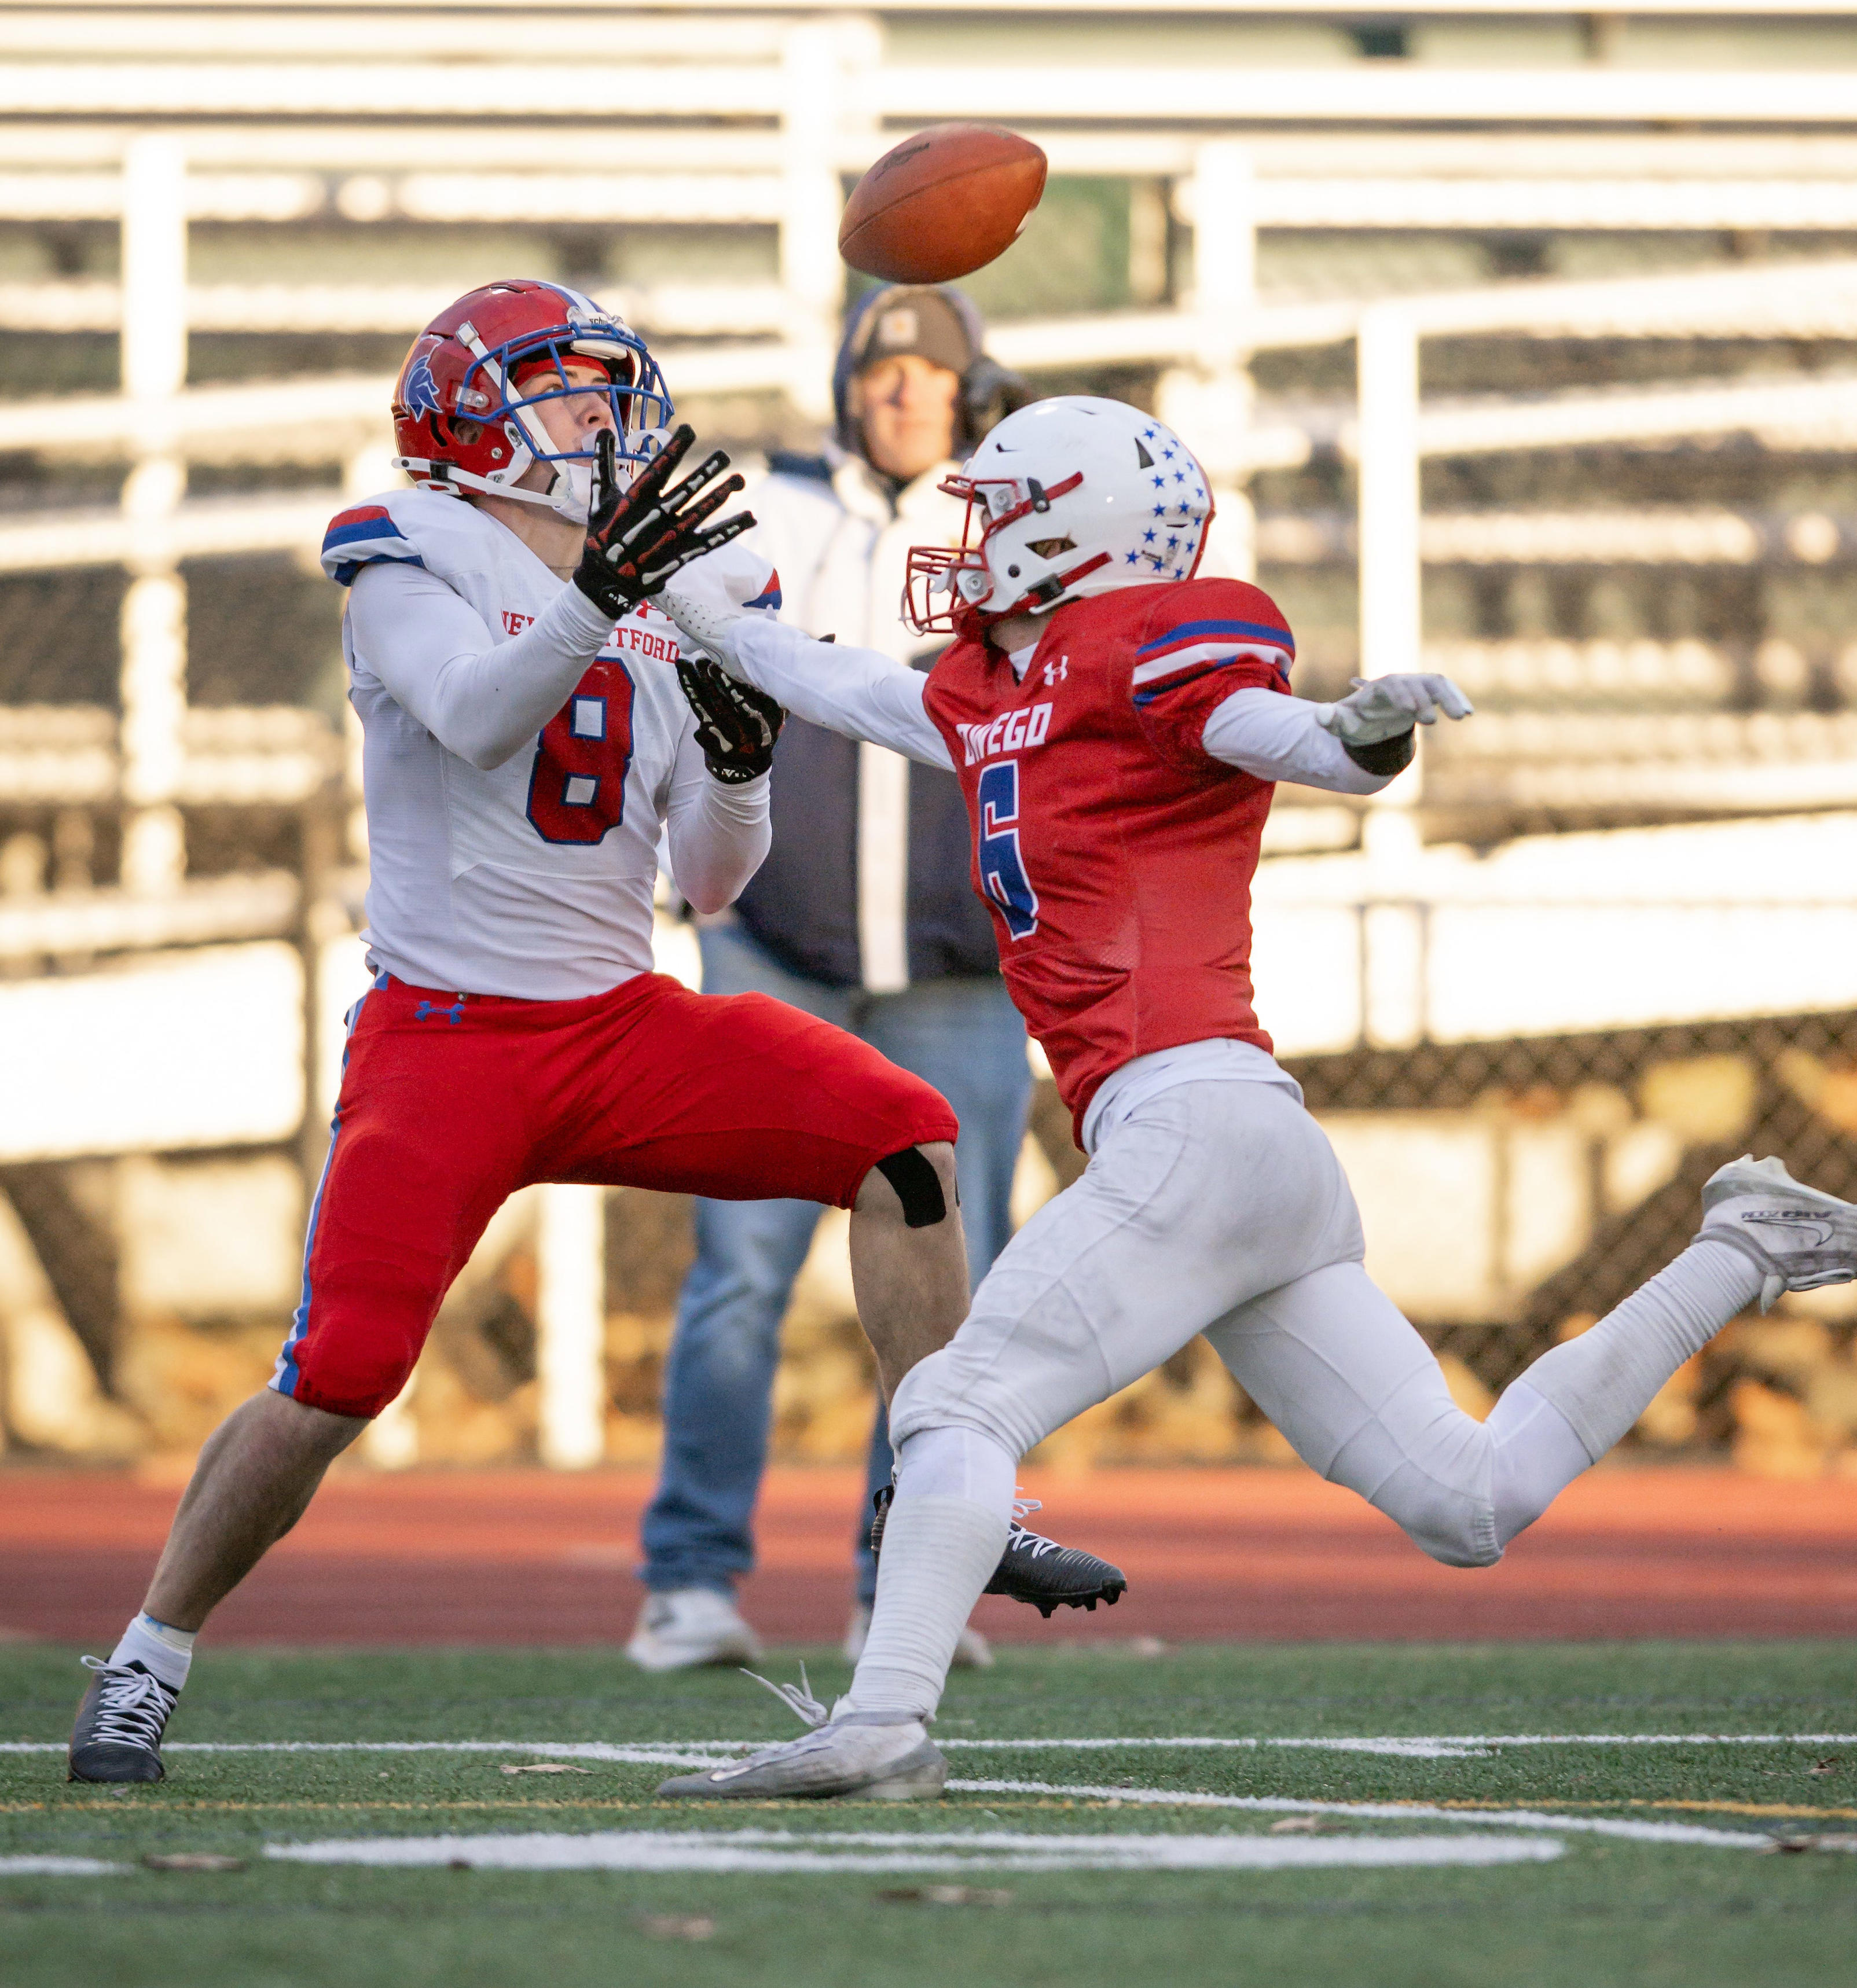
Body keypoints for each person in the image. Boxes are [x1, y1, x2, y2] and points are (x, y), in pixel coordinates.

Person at [649, 394, 1857, 1800]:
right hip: (1242, 1143)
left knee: (951, 1405)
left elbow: (1285, 736)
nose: (966, 542)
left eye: (995, 514)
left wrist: (1361, 733)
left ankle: (881, 1721)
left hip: (1185, 1126)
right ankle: (1747, 1246)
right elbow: (838, 682)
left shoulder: (1144, 648)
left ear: (1069, 531)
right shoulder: (993, 688)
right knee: (1465, 1499)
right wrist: (686, 601)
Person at [62, 282, 1102, 1787]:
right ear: (472, 423)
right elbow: (480, 712)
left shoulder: (674, 580)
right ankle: (146, 1655)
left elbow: (710, 882)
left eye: (608, 390)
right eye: (563, 393)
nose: (603, 421)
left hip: (616, 1021)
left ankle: (947, 1486)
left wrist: (741, 769)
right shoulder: (412, 552)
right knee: (342, 1370)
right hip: (447, 1036)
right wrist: (598, 598)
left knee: (907, 1141)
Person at [629, 286, 1045, 1675]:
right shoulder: (765, 506)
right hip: (777, 945)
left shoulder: (1019, 519)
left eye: (932, 370)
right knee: (740, 1271)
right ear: (845, 385)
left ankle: (903, 1585)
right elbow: (672, 675)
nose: (905, 389)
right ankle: (688, 1575)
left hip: (956, 964)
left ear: (971, 388)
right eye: (883, 369)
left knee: (947, 1289)